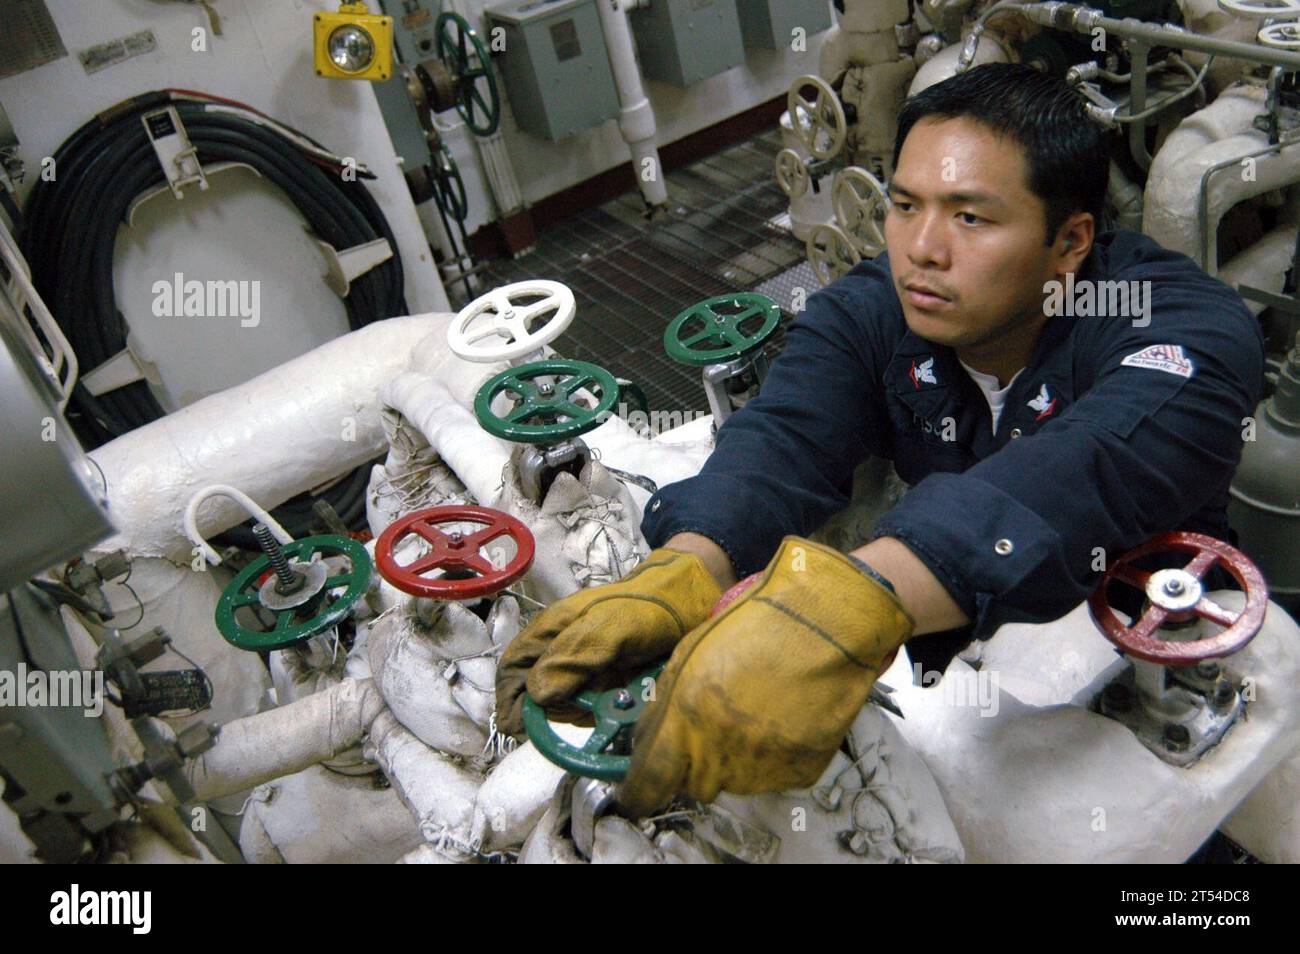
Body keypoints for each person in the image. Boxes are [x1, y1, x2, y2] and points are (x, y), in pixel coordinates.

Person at [495, 63, 1266, 819]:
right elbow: (784, 438)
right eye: (905, 205)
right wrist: (685, 566)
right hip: (954, 641)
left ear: (1069, 243)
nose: (921, 249)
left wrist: (845, 605)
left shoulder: (1180, 326)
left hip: (1143, 662)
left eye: (971, 217)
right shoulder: (869, 311)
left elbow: (1082, 467)